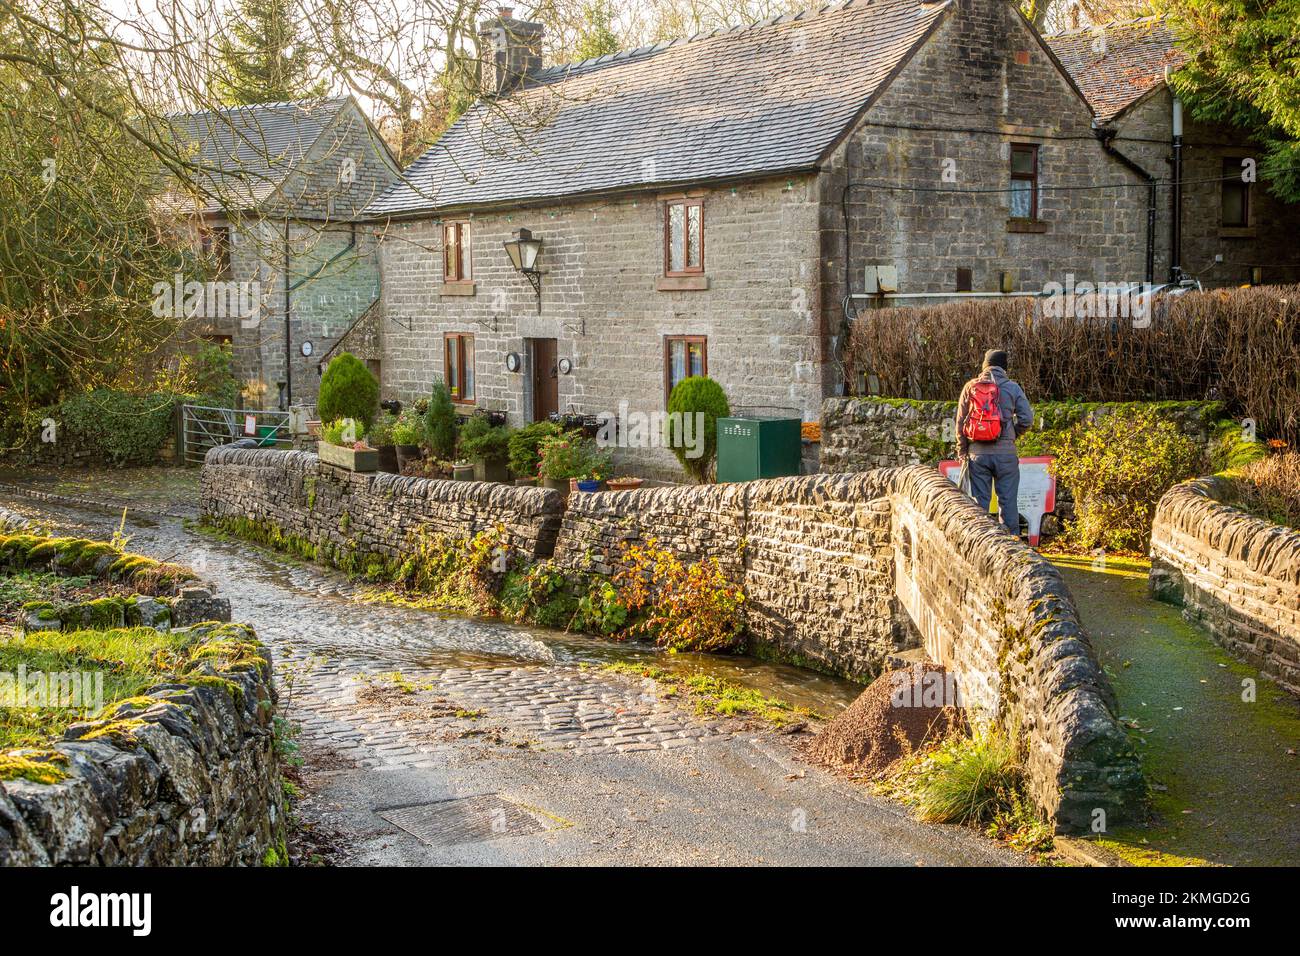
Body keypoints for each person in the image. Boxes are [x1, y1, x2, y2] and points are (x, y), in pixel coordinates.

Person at [955, 349, 1034, 535]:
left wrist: (963, 451)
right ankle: (1012, 549)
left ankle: (979, 544)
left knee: (979, 503)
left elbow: (960, 423)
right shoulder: (1013, 388)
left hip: (978, 455)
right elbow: (1027, 419)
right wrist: (1012, 434)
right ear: (1004, 367)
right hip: (1006, 455)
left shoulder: (970, 387)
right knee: (1007, 502)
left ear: (984, 366)